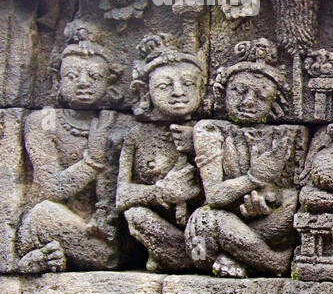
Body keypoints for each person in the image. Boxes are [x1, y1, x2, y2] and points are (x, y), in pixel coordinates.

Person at [185, 40, 305, 277]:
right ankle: (274, 262)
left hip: (266, 225)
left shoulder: (286, 133)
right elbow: (214, 196)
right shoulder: (209, 130)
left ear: (275, 102)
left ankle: (239, 254)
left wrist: (269, 198)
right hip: (219, 223)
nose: (248, 101)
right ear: (223, 92)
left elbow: (286, 193)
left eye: (261, 96)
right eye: (238, 91)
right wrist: (254, 179)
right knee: (203, 222)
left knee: (299, 202)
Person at [14, 21, 128, 272]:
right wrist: (94, 158)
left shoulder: (122, 122)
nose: (83, 83)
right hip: (58, 220)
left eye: (95, 76)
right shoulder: (44, 121)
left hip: (107, 231)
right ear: (57, 81)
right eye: (72, 76)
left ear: (111, 82)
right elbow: (52, 188)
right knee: (43, 215)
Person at [116, 34, 205, 272]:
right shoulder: (136, 135)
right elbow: (122, 196)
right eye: (164, 86)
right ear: (145, 92)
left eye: (187, 84)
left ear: (201, 87)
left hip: (200, 228)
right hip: (158, 225)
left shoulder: (208, 131)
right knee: (135, 215)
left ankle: (192, 256)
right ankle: (181, 257)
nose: (178, 92)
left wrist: (197, 144)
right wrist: (161, 193)